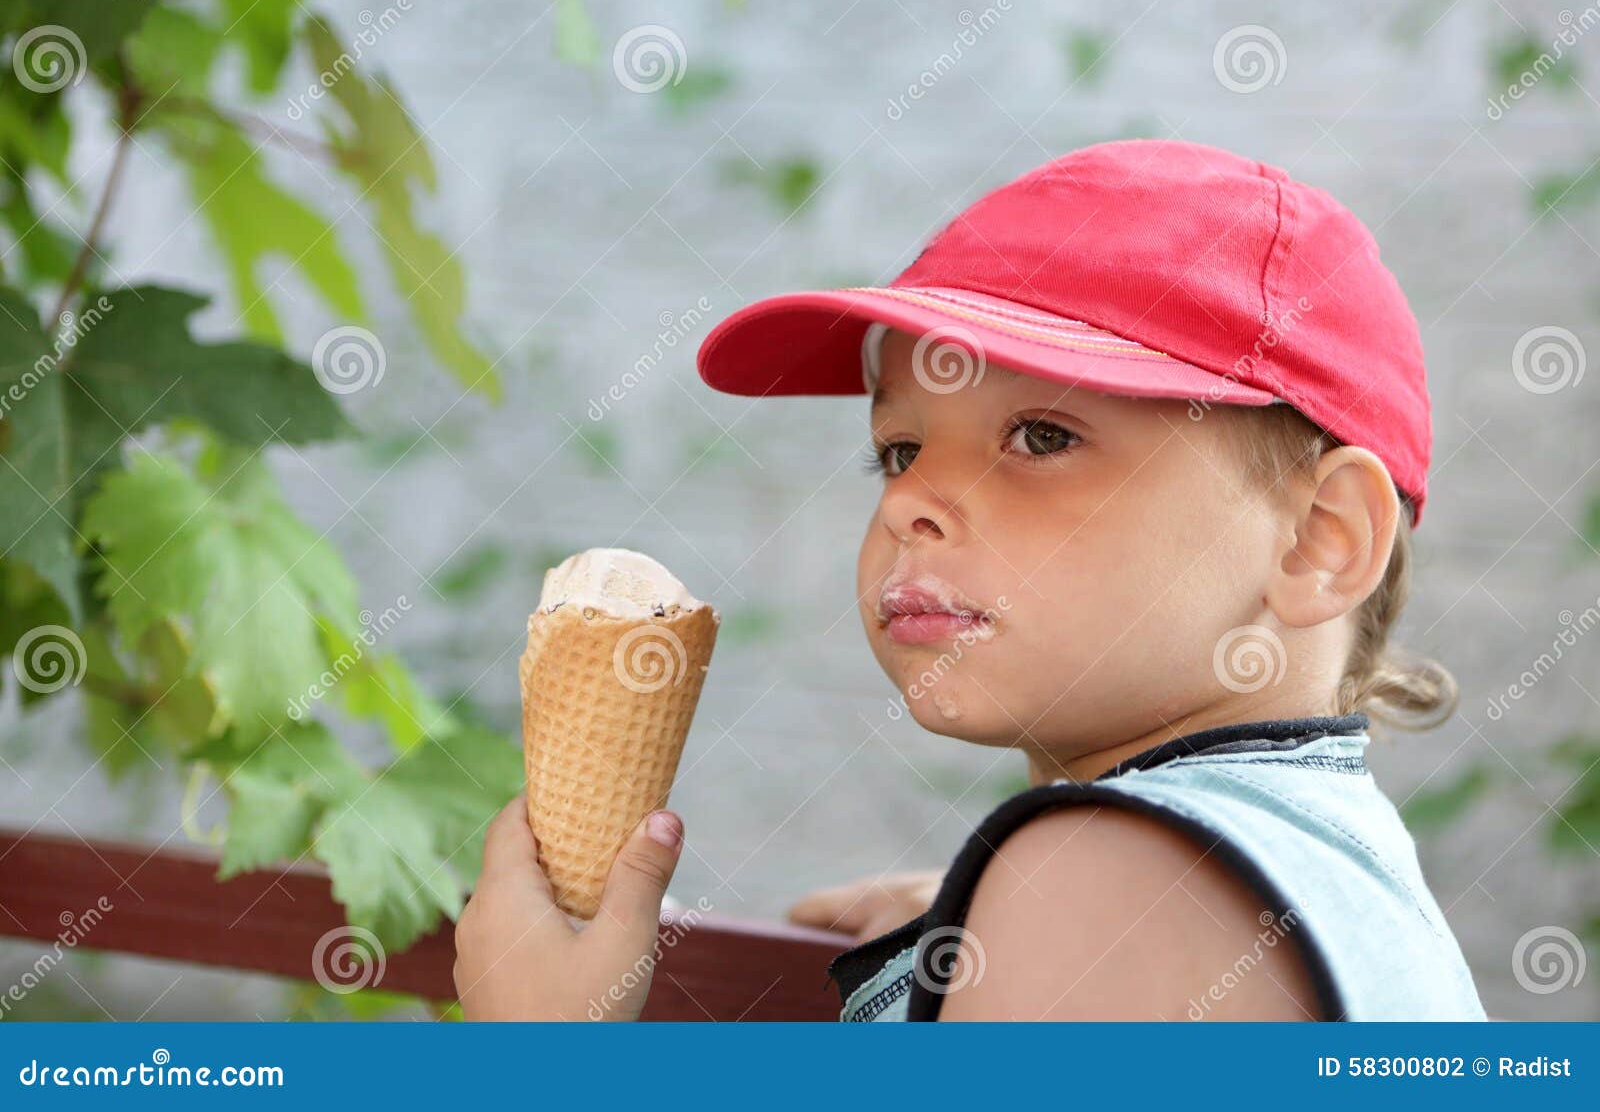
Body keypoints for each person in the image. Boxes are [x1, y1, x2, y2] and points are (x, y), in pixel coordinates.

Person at [452, 138, 1487, 1021]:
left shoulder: (1102, 882)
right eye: (898, 449)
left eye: (1040, 435)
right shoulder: (1325, 865)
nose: (910, 503)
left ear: (1320, 536)